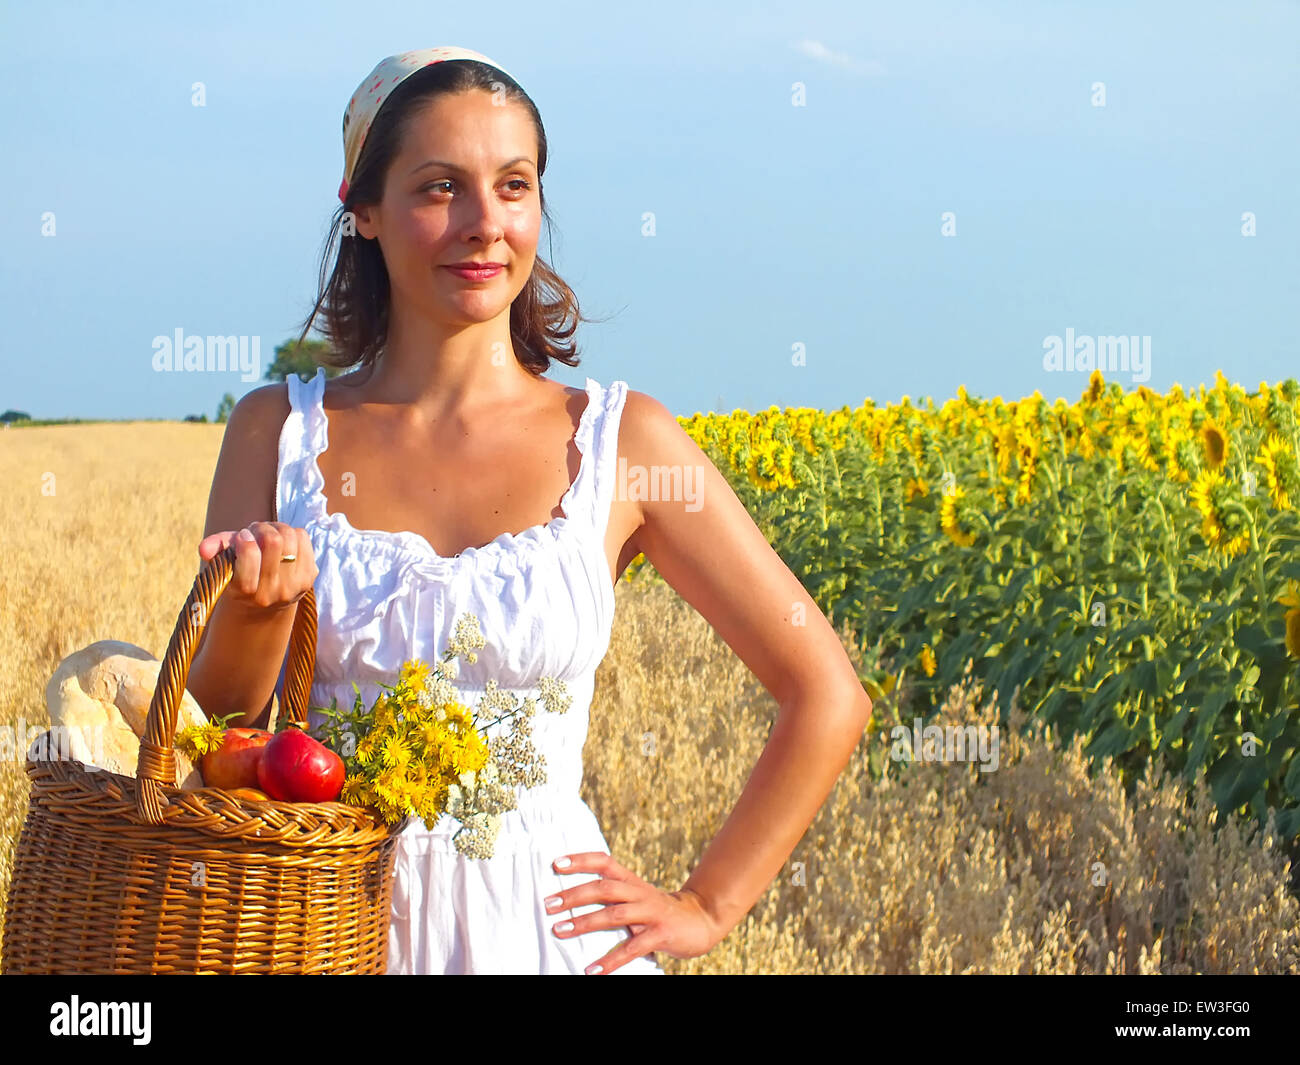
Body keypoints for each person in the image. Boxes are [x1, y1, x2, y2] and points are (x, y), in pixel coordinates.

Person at [186, 46, 871, 975]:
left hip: (551, 942)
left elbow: (827, 693)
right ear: (365, 212)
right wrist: (263, 606)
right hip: (324, 931)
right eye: (439, 189)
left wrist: (706, 904)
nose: (484, 224)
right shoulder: (277, 429)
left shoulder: (623, 444)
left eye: (514, 185)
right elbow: (217, 724)